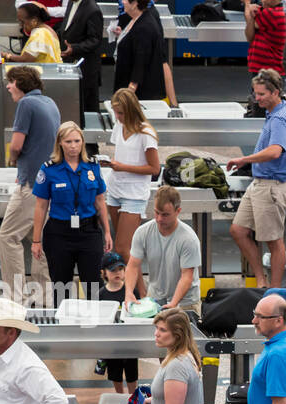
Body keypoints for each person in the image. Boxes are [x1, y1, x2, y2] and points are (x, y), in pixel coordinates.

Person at [227, 69, 286, 289]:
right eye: (255, 93)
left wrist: (245, 159)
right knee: (238, 230)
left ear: (275, 92)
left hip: (271, 187)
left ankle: (274, 292)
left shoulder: (279, 118)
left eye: (261, 94)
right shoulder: (276, 113)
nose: (256, 99)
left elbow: (276, 151)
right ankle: (261, 282)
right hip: (260, 184)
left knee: (274, 242)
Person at [32, 122, 113, 308]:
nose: (73, 146)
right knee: (62, 286)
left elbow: (100, 201)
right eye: (68, 141)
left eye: (77, 141)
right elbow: (41, 206)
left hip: (89, 230)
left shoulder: (92, 167)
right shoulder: (49, 169)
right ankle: (64, 328)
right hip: (59, 233)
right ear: (60, 143)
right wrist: (36, 241)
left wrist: (107, 232)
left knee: (93, 284)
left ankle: (96, 326)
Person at [0, 66, 58, 307]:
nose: (9, 87)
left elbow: (17, 145)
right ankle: (44, 298)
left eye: (10, 83)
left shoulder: (25, 105)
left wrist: (13, 161)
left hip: (32, 184)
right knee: (40, 239)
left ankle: (14, 297)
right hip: (49, 181)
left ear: (19, 82)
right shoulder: (50, 102)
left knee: (8, 236)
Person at [106, 89, 161, 268]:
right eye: (115, 112)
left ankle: (140, 292)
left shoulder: (146, 133)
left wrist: (122, 167)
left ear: (131, 110)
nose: (118, 116)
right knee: (122, 249)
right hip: (115, 189)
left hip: (134, 194)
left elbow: (154, 168)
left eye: (120, 113)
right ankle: (134, 291)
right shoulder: (119, 126)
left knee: (123, 248)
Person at [125, 187, 202, 313]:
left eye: (165, 214)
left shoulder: (189, 238)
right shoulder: (143, 232)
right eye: (157, 213)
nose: (159, 219)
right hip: (155, 299)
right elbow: (133, 266)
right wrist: (128, 292)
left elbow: (186, 277)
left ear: (178, 211)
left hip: (186, 302)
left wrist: (173, 303)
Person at [96, 252, 137, 393]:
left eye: (120, 269)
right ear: (104, 273)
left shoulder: (130, 290)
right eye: (113, 270)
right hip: (111, 339)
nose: (117, 273)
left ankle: (133, 396)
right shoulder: (101, 293)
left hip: (129, 338)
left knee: (131, 370)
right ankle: (119, 396)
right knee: (115, 371)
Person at [115, 0, 168, 104]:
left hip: (140, 95)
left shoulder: (144, 27)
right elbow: (134, 42)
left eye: (125, 0)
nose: (122, 1)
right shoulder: (137, 19)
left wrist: (129, 92)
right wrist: (122, 36)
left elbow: (141, 61)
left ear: (134, 3)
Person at [61, 0, 104, 114]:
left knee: (86, 105)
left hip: (86, 67)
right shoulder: (71, 3)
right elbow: (66, 27)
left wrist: (74, 48)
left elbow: (95, 40)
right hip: (70, 62)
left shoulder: (93, 10)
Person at [245, 0, 286, 79]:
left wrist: (247, 4)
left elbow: (250, 21)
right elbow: (250, 37)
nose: (262, 0)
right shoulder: (269, 11)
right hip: (265, 68)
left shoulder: (272, 13)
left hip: (268, 69)